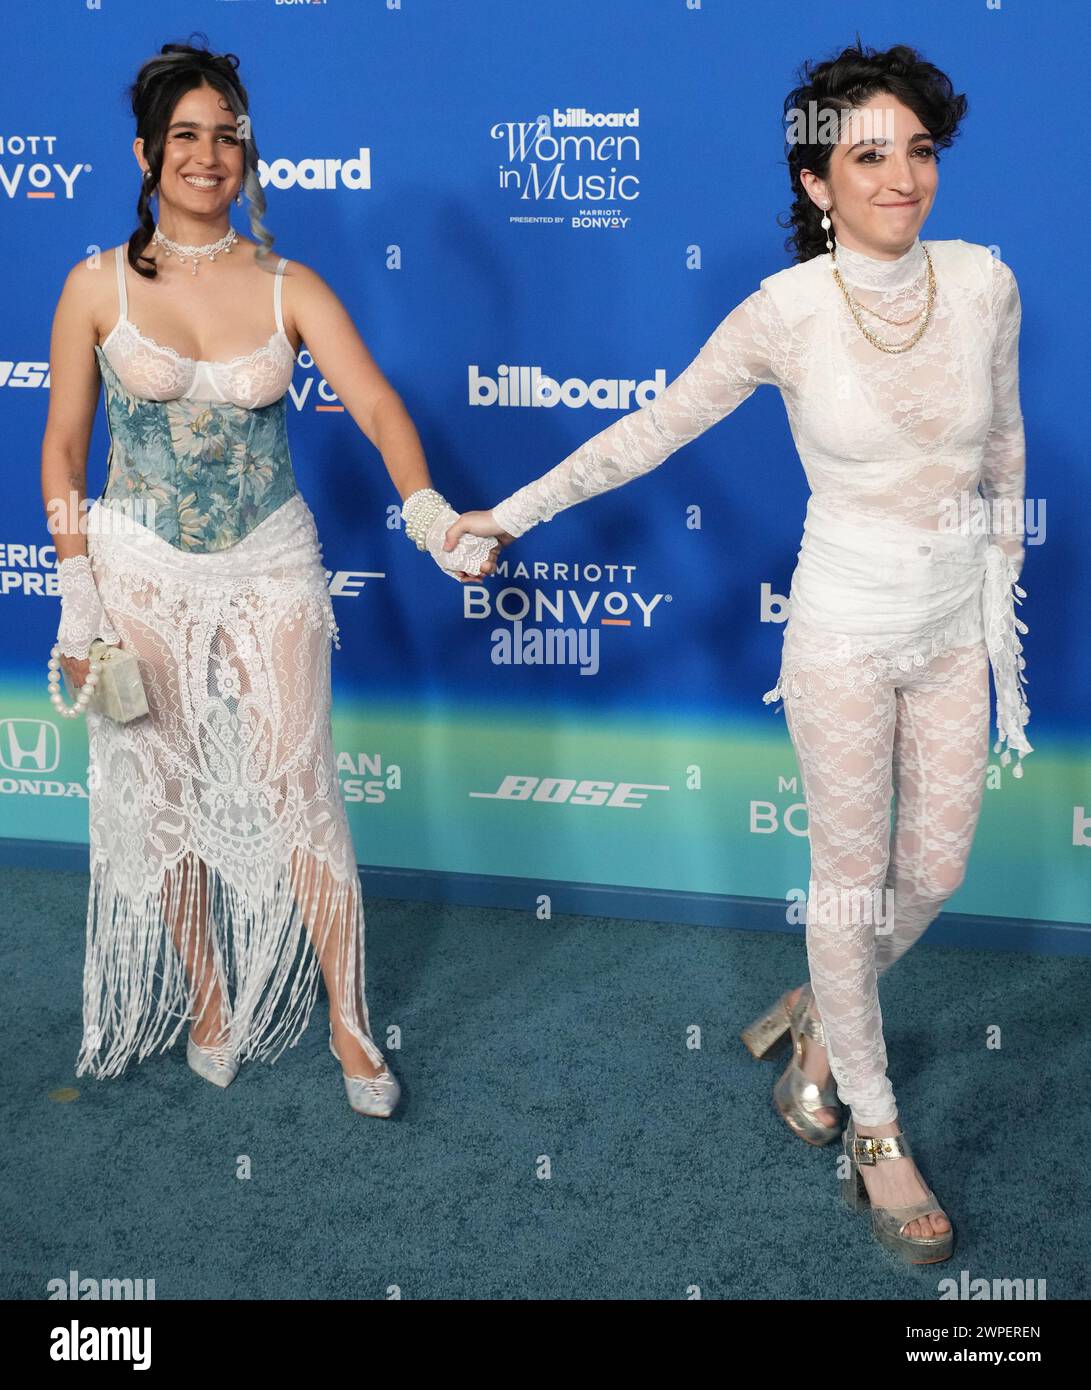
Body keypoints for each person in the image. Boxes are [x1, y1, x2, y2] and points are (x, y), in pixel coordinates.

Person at [443, 42, 1031, 1262]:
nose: (901, 177)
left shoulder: (980, 283)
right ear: (816, 181)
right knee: (848, 880)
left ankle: (822, 1013)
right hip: (841, 630)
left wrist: (992, 602)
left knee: (932, 873)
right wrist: (506, 514)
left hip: (949, 628)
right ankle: (868, 1125)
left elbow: (1004, 455)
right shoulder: (786, 312)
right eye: (867, 154)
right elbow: (649, 433)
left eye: (917, 150)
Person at [41, 41, 498, 1118]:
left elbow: (379, 406)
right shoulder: (93, 285)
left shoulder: (290, 283)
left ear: (250, 151)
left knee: (302, 790)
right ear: (147, 152)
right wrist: (77, 583)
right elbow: (62, 448)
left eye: (230, 134)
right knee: (169, 788)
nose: (211, 155)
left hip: (272, 563)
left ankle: (347, 1015)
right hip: (139, 568)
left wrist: (426, 508)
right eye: (188, 135)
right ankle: (208, 997)